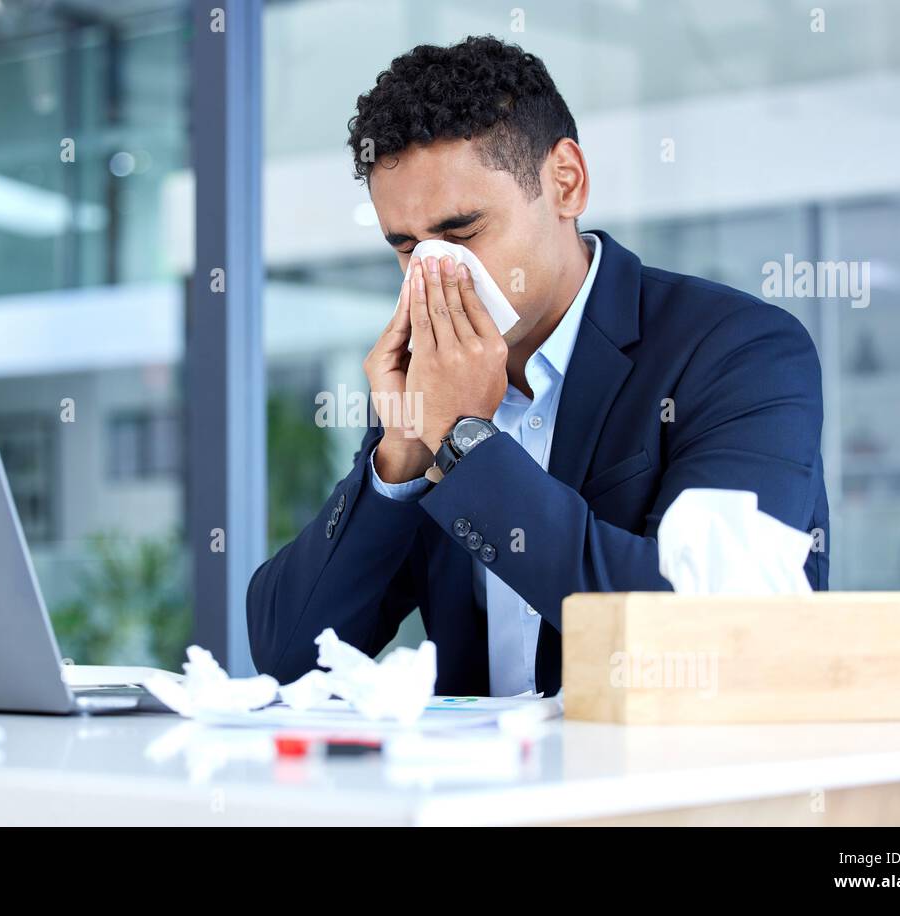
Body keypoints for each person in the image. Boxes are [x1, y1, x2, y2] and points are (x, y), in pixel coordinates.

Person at [248, 35, 828, 696]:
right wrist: (404, 453)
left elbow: (708, 638)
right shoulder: (431, 388)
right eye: (407, 247)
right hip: (489, 795)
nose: (435, 275)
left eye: (463, 234)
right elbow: (287, 655)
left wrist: (467, 441)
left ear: (566, 182)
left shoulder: (739, 351)